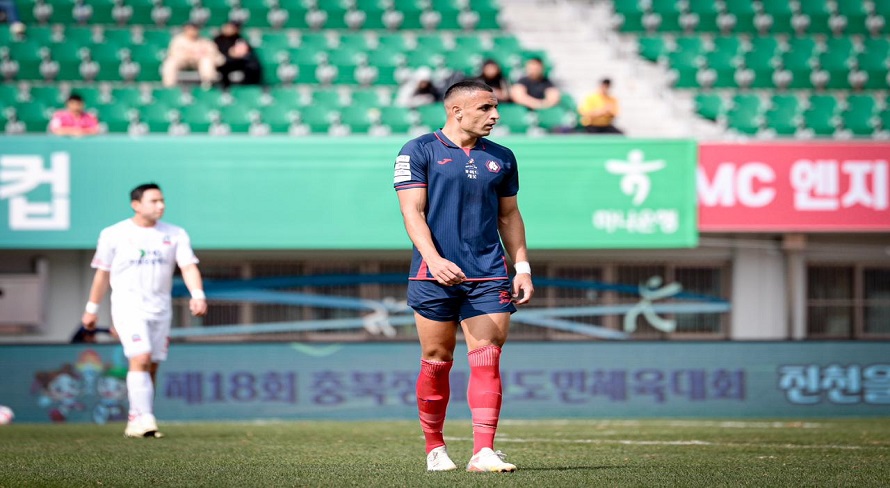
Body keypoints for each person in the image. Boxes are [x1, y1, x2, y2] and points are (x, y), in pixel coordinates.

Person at [393, 80, 534, 473]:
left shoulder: (503, 157)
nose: (496, 115)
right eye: (486, 108)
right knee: (437, 360)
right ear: (457, 111)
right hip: (432, 273)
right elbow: (412, 213)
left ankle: (483, 451)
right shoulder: (417, 150)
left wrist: (520, 266)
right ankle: (435, 448)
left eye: (495, 108)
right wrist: (434, 259)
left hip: (489, 273)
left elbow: (509, 215)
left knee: (487, 357)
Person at [81, 183, 207, 438]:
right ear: (136, 205)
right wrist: (91, 309)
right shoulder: (113, 234)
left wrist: (198, 295)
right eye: (154, 201)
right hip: (128, 307)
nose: (160, 206)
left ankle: (136, 417)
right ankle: (145, 418)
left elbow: (188, 266)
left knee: (152, 365)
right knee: (140, 356)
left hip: (160, 309)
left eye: (162, 201)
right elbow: (102, 274)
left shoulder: (175, 234)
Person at [161, 23, 223, 88]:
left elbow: (214, 54)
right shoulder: (178, 40)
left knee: (206, 61)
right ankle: (169, 86)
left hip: (198, 62)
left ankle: (208, 84)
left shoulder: (204, 40)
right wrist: (190, 55)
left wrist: (202, 55)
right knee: (170, 62)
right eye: (190, 29)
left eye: (194, 29)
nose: (192, 31)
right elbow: (173, 53)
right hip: (183, 61)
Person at [213, 21, 262, 89]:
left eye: (234, 28)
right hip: (224, 62)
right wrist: (230, 53)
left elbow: (247, 51)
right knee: (224, 66)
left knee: (252, 64)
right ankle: (225, 89)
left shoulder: (239, 38)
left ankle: (249, 86)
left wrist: (241, 53)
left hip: (238, 62)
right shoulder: (218, 39)